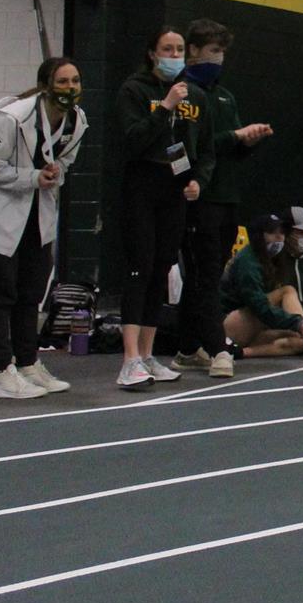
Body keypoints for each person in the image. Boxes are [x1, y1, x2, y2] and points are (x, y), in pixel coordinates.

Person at [0, 57, 86, 399]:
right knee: (1, 293)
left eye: (75, 81)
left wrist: (57, 172)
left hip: (39, 216)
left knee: (30, 294)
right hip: (1, 215)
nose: (70, 88)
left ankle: (27, 363)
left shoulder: (77, 121)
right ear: (46, 85)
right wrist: (32, 178)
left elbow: (67, 159)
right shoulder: (12, 119)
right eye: (63, 82)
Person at [173, 18, 272, 380]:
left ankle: (186, 348)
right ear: (194, 50)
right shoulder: (184, 93)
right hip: (200, 196)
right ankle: (217, 346)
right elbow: (194, 147)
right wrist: (234, 136)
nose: (219, 59)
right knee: (205, 274)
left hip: (227, 195)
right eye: (214, 51)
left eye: (223, 53)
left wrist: (248, 140)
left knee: (209, 274)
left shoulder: (225, 95)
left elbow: (229, 147)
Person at [114, 26, 214, 389]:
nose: (173, 55)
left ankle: (148, 353)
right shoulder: (134, 90)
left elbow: (204, 150)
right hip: (142, 185)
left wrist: (197, 181)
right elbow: (134, 140)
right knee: (140, 266)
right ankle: (129, 359)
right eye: (166, 49)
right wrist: (165, 107)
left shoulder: (197, 97)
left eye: (179, 50)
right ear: (152, 53)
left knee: (161, 269)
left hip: (175, 190)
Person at [221, 214, 303, 359]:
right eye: (273, 233)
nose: (279, 237)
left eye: (281, 233)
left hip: (250, 328)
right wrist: (297, 323)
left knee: (298, 341)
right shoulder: (247, 263)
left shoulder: (272, 259)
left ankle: (240, 352)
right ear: (259, 236)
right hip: (229, 324)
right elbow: (259, 307)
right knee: (287, 291)